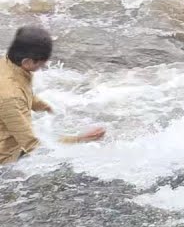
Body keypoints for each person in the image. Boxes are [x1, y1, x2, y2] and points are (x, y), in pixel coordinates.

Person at [1, 26, 107, 165]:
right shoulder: (11, 97)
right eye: (41, 63)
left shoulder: (6, 64)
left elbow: (18, 93)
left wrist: (43, 106)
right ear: (26, 62)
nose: (43, 66)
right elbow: (35, 147)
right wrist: (81, 139)